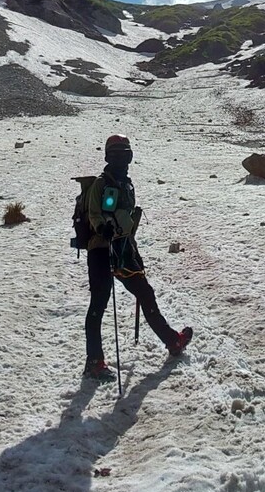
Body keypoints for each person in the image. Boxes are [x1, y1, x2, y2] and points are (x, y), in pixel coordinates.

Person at [80, 135, 192, 381]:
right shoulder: (101, 184)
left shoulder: (126, 184)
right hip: (101, 249)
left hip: (123, 248)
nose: (121, 160)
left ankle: (172, 340)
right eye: (117, 155)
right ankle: (94, 362)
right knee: (99, 303)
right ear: (108, 157)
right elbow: (94, 213)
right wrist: (102, 228)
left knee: (145, 293)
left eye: (124, 155)